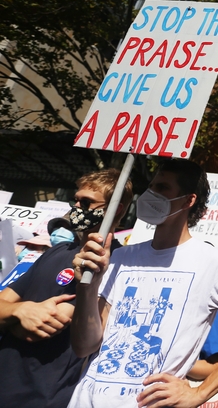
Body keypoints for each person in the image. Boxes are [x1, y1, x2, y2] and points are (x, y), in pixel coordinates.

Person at [68, 159, 218, 408]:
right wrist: (87, 287)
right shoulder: (120, 257)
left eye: (163, 188)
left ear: (189, 200)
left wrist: (199, 394)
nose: (151, 194)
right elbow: (85, 346)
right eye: (151, 186)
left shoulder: (212, 262)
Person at [0, 168, 133, 408]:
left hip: (42, 397)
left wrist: (13, 317)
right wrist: (19, 311)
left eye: (87, 202)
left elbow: (45, 326)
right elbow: (4, 303)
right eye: (76, 200)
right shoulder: (56, 252)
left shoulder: (120, 264)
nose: (77, 207)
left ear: (117, 209)